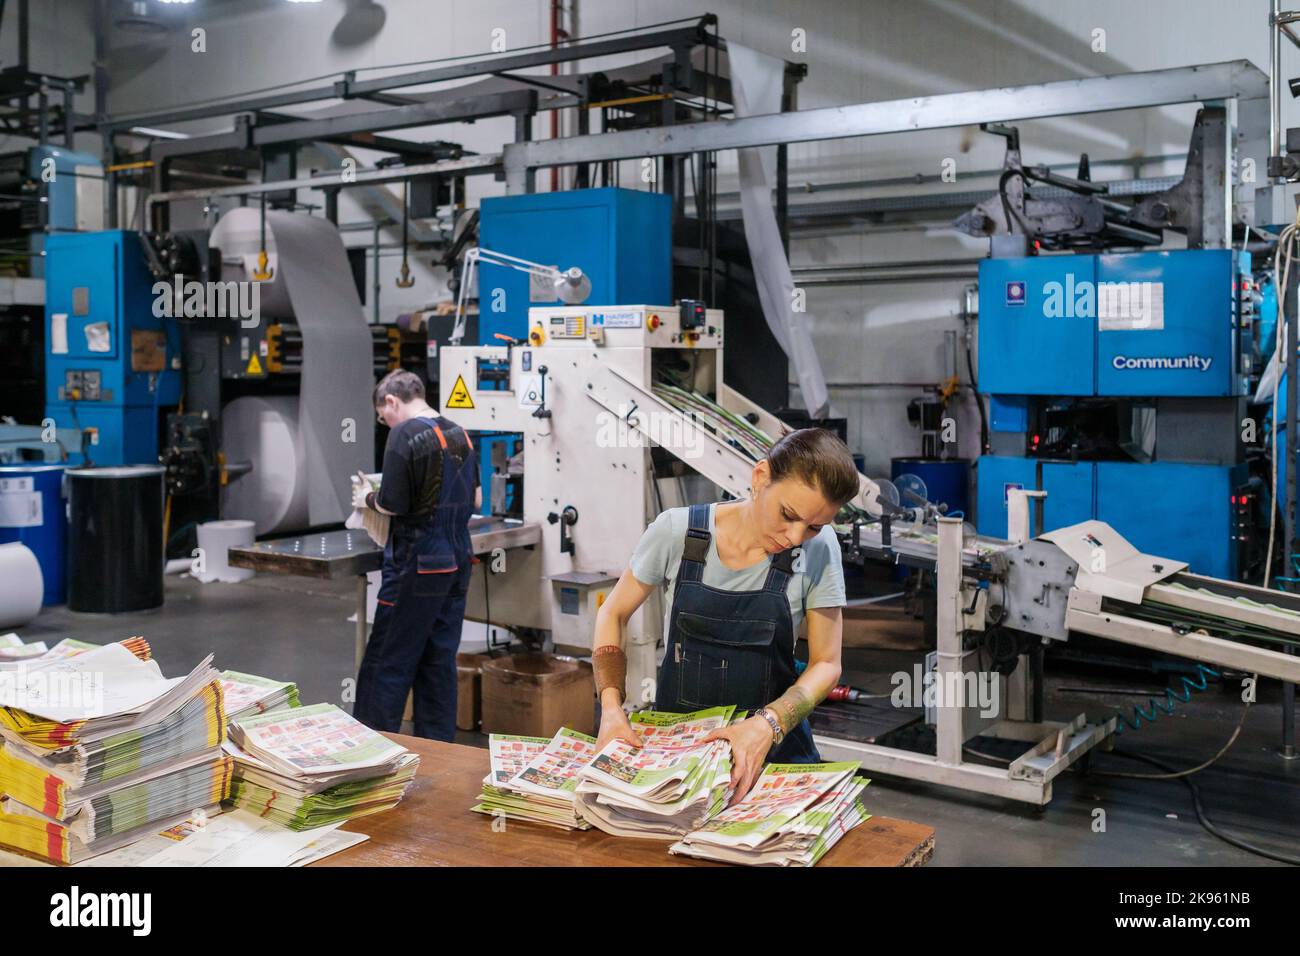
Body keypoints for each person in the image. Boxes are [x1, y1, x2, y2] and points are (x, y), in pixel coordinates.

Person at [590, 428, 860, 802]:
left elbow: (827, 664)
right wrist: (611, 707)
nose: (797, 537)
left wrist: (768, 725)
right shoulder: (678, 533)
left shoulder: (819, 550)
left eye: (814, 526)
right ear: (760, 478)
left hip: (777, 753)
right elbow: (613, 614)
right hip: (681, 755)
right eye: (788, 515)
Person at [352, 369, 480, 740]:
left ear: (391, 401)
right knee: (438, 662)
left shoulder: (404, 434)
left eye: (383, 415)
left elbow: (393, 502)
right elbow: (475, 499)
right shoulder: (459, 433)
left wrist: (367, 498)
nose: (384, 422)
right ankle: (440, 753)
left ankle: (369, 752)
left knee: (388, 661)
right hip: (458, 559)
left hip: (418, 563)